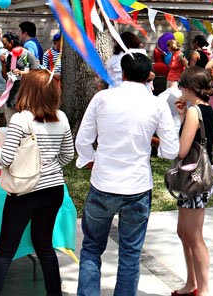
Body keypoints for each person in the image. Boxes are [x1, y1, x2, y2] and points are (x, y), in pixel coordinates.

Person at [75, 53, 180, 296]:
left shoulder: (102, 98)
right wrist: (153, 143)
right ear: (148, 76)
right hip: (137, 186)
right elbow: (170, 149)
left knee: (91, 248)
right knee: (130, 254)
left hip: (104, 183)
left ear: (122, 73)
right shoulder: (156, 104)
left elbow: (83, 140)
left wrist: (90, 160)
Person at [0, 70, 74, 296]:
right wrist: (49, 167)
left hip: (25, 191)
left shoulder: (20, 119)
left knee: (5, 250)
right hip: (53, 189)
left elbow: (5, 159)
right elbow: (68, 155)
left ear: (27, 90)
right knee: (45, 246)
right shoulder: (61, 117)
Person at [172, 67, 213, 296]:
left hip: (196, 176)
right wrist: (181, 116)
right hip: (197, 174)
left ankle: (203, 289)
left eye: (181, 85)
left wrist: (158, 141)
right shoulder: (206, 109)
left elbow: (182, 150)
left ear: (189, 87)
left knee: (194, 235)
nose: (179, 89)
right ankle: (192, 283)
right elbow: (199, 140)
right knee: (184, 231)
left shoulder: (194, 111)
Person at [0, 32, 41, 121]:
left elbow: (36, 72)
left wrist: (21, 72)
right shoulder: (10, 56)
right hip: (11, 94)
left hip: (24, 94)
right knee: (10, 121)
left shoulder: (27, 54)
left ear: (12, 42)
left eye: (5, 44)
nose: (4, 47)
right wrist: (3, 64)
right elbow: (5, 76)